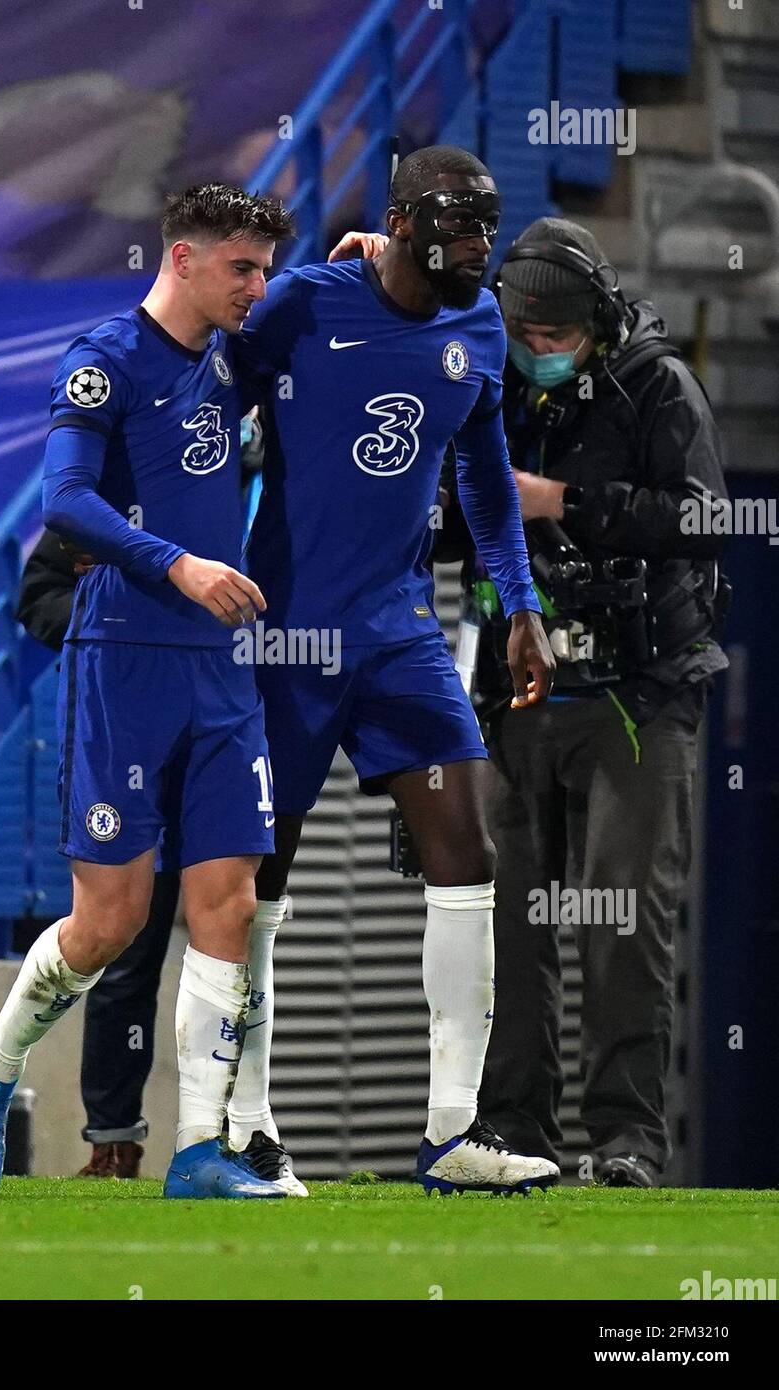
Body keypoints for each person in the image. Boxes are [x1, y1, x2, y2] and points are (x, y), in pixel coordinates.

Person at [226, 145, 562, 1195]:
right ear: (407, 220)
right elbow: (206, 402)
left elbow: (487, 478)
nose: (481, 249)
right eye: (463, 228)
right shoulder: (302, 303)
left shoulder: (479, 325)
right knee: (256, 875)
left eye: (488, 229)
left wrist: (520, 604)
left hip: (402, 634)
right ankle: (246, 1124)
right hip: (287, 637)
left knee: (466, 853)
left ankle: (449, 1134)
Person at [0, 184, 297, 1201]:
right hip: (124, 660)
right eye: (242, 268)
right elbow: (64, 500)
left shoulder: (233, 356)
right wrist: (179, 564)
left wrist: (361, 254)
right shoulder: (102, 360)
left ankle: (199, 1151)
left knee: (227, 904)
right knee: (110, 923)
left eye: (268, 269)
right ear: (182, 260)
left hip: (222, 669)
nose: (259, 289)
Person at [438, 216, 729, 1186]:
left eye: (555, 337)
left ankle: (627, 1140)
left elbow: (703, 520)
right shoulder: (493, 385)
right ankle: (515, 1129)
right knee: (515, 923)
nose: (538, 352)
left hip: (637, 699)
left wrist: (559, 500)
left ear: (597, 321)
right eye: (524, 335)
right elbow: (450, 521)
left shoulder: (658, 386)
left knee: (619, 924)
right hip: (520, 695)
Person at [16, 529, 180, 1180]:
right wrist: (115, 623)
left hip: (232, 727)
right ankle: (113, 1140)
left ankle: (235, 1131)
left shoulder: (264, 476)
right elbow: (38, 597)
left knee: (241, 933)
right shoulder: (103, 493)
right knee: (124, 948)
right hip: (128, 741)